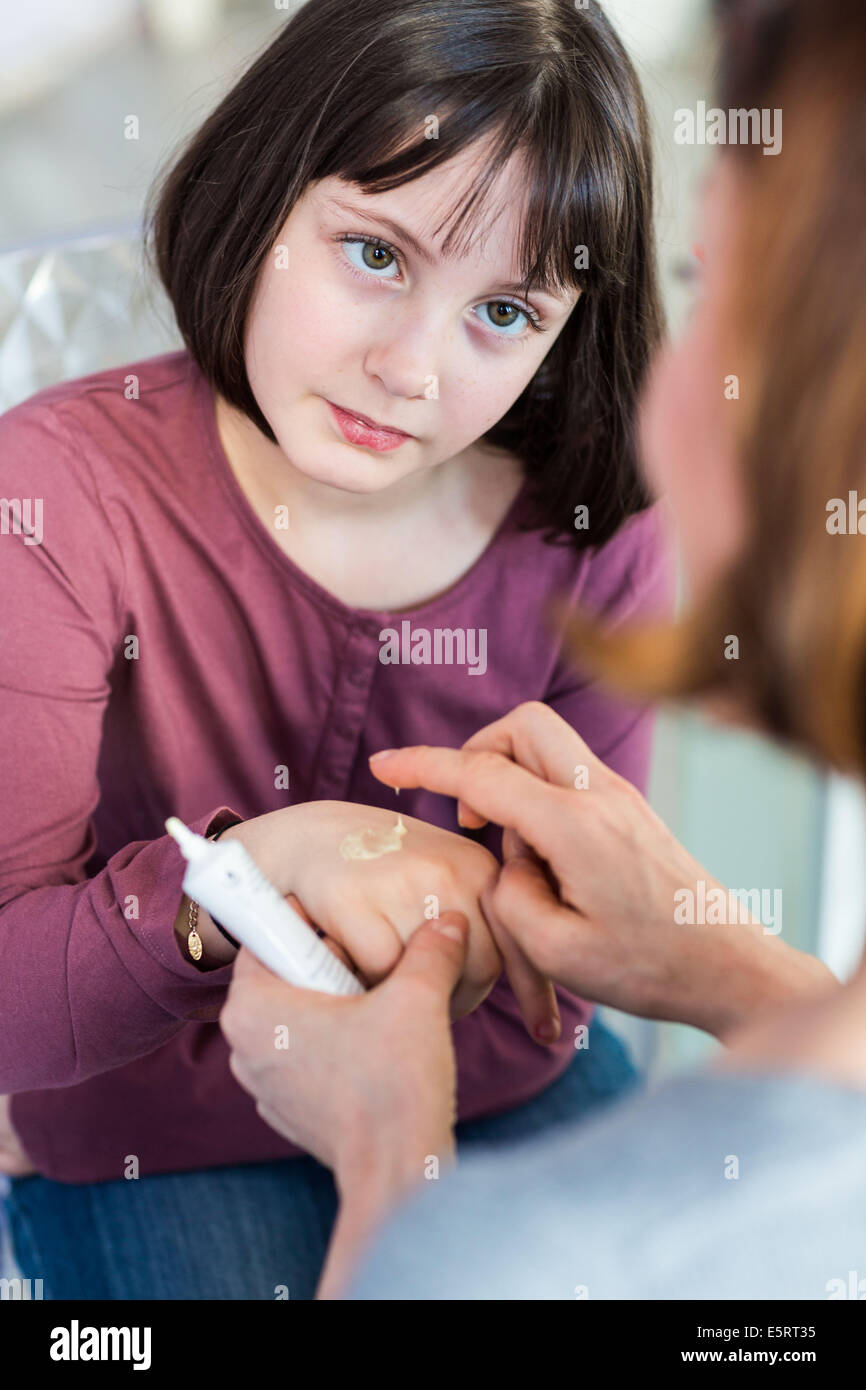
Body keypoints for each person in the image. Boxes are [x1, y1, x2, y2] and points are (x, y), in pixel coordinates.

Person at [0, 1, 672, 1299]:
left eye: (503, 313)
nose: (409, 368)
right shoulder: (49, 497)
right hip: (157, 1124)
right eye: (374, 253)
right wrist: (244, 874)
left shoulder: (593, 532)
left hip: (484, 1074)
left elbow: (575, 964)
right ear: (260, 189)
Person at [221, 0, 866, 1298]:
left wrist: (389, 1159)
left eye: (706, 286)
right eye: (375, 255)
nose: (410, 370)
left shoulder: (501, 1260)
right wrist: (729, 969)